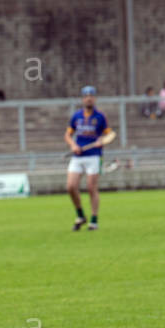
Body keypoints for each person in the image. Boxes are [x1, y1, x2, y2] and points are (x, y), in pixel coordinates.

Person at [65, 85, 108, 231]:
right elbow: (68, 135)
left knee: (91, 187)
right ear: (83, 99)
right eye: (86, 96)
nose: (89, 98)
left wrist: (101, 140)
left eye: (91, 95)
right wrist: (73, 145)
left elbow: (110, 134)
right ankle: (80, 215)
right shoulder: (76, 116)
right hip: (78, 155)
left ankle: (94, 220)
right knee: (71, 186)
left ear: (94, 98)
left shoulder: (100, 117)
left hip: (94, 155)